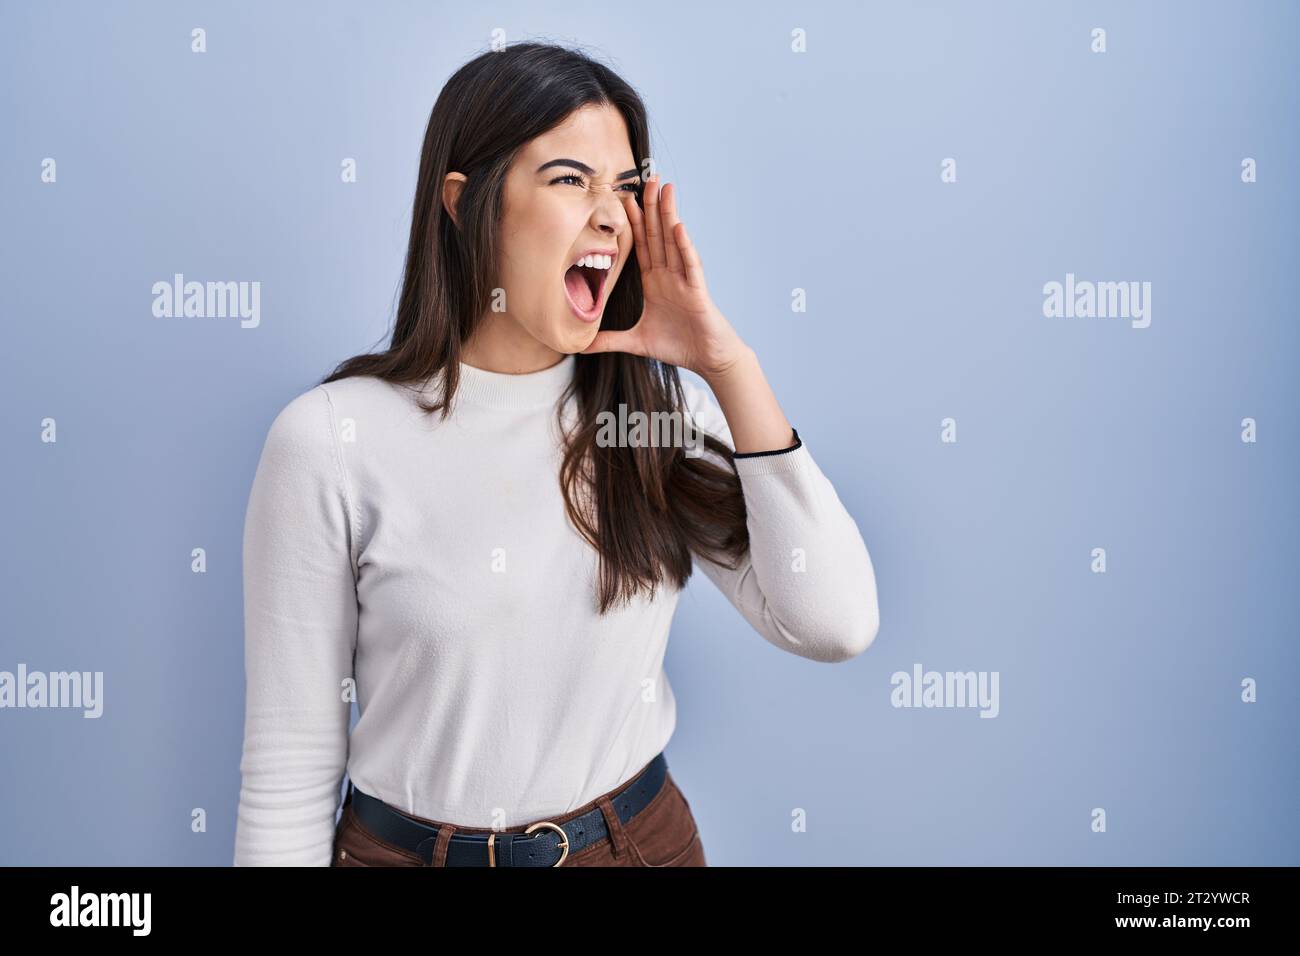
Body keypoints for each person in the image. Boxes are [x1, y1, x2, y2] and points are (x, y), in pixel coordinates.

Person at [233, 41, 880, 867]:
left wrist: (728, 367)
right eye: (571, 179)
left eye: (626, 186)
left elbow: (835, 624)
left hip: (636, 846)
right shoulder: (329, 440)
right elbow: (289, 770)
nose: (611, 213)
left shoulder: (654, 416)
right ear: (466, 205)